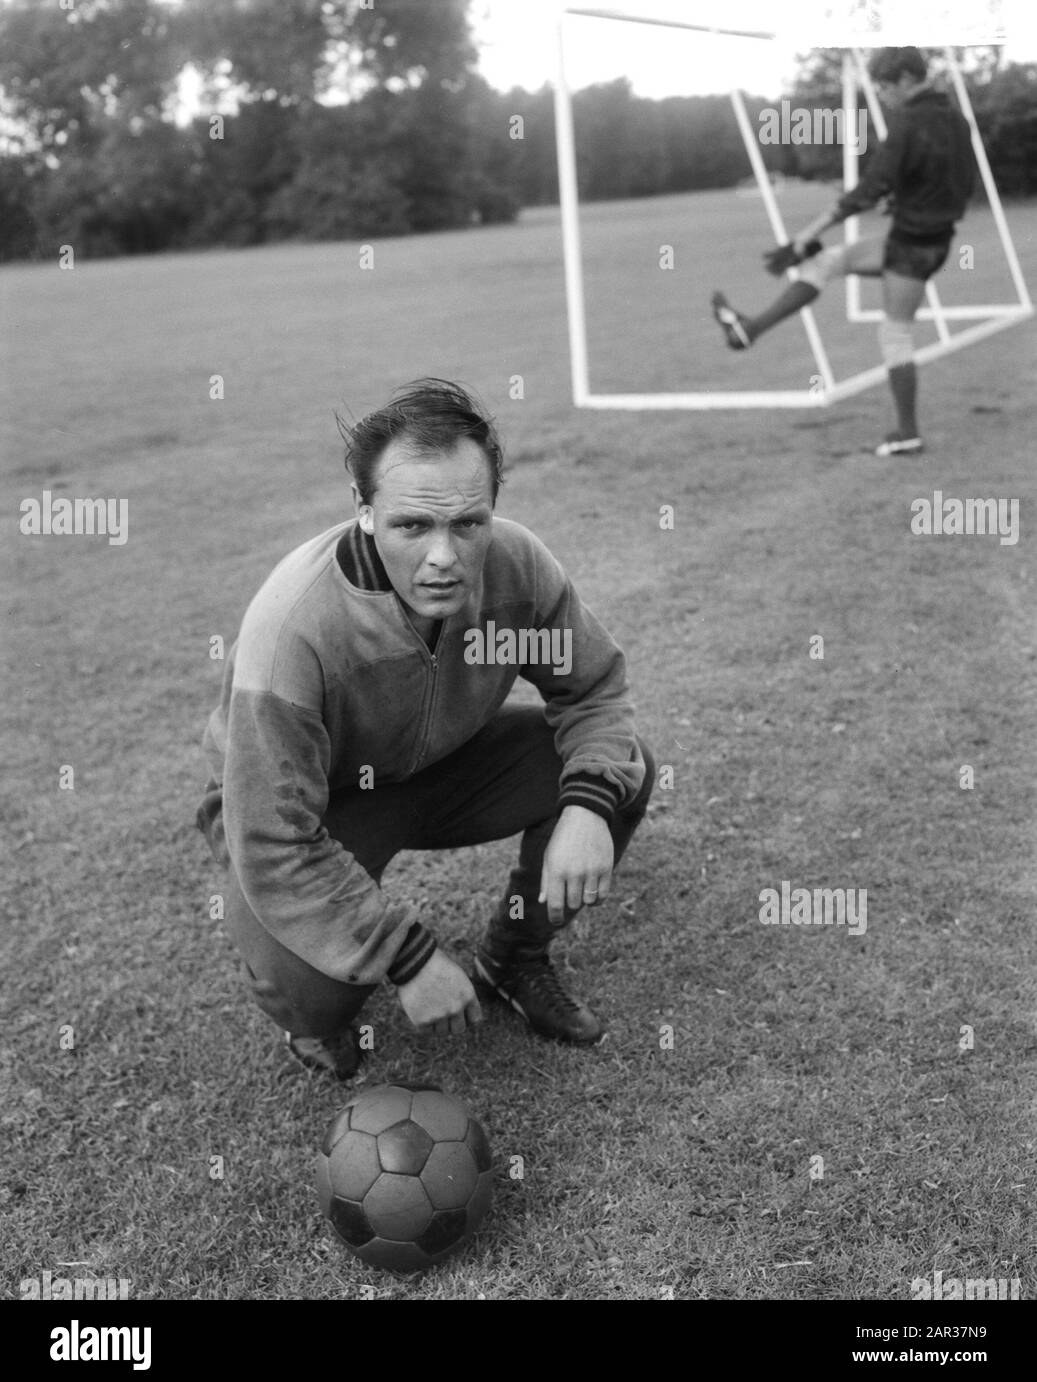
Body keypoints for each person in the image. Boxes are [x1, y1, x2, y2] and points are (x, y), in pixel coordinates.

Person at [196, 378, 654, 1080]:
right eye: (413, 525)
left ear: (490, 512)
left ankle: (512, 956)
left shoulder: (516, 571)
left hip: (444, 765)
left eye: (467, 524)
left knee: (622, 771)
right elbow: (269, 836)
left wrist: (589, 805)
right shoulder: (296, 626)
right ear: (365, 511)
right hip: (310, 808)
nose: (443, 555)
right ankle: (312, 1022)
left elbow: (590, 688)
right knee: (315, 991)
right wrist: (407, 958)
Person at [712, 46, 975, 457]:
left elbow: (869, 189)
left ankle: (907, 433)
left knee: (894, 332)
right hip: (924, 240)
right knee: (826, 262)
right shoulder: (957, 120)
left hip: (913, 247)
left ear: (906, 78)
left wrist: (810, 230)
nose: (884, 95)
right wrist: (907, 202)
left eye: (886, 87)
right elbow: (954, 182)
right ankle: (749, 330)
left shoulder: (909, 122)